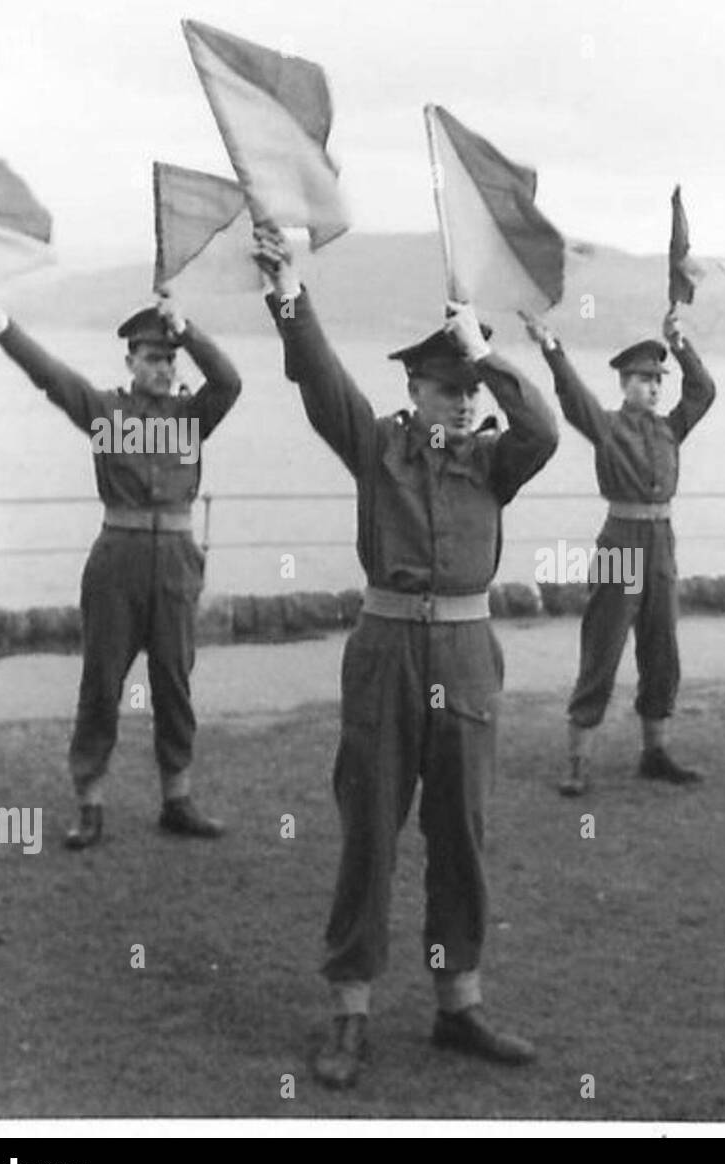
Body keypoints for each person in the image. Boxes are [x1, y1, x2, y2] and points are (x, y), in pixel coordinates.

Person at [251, 225, 558, 1089]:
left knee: (461, 833)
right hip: (386, 654)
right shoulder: (375, 449)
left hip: (466, 656)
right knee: (370, 834)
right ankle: (349, 1013)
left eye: (469, 390)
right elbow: (319, 381)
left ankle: (458, 1004)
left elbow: (547, 427)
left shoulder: (496, 461)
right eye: (446, 388)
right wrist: (290, 293)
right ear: (412, 392)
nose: (462, 403)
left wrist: (485, 351)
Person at [0, 288, 241, 847]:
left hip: (177, 567)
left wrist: (187, 330)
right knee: (100, 686)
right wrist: (2, 326)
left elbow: (230, 381)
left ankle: (178, 798)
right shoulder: (107, 414)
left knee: (174, 683)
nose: (163, 368)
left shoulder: (193, 417)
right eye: (152, 358)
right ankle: (89, 804)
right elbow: (53, 378)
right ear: (130, 362)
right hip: (117, 563)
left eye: (170, 358)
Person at [524, 310, 716, 796]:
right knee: (604, 646)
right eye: (643, 380)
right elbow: (572, 399)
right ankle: (577, 763)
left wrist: (681, 342)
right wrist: (552, 348)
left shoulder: (670, 428)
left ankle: (655, 753)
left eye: (657, 380)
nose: (653, 388)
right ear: (624, 384)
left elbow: (704, 391)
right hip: (621, 541)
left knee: (661, 648)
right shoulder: (608, 428)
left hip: (661, 544)